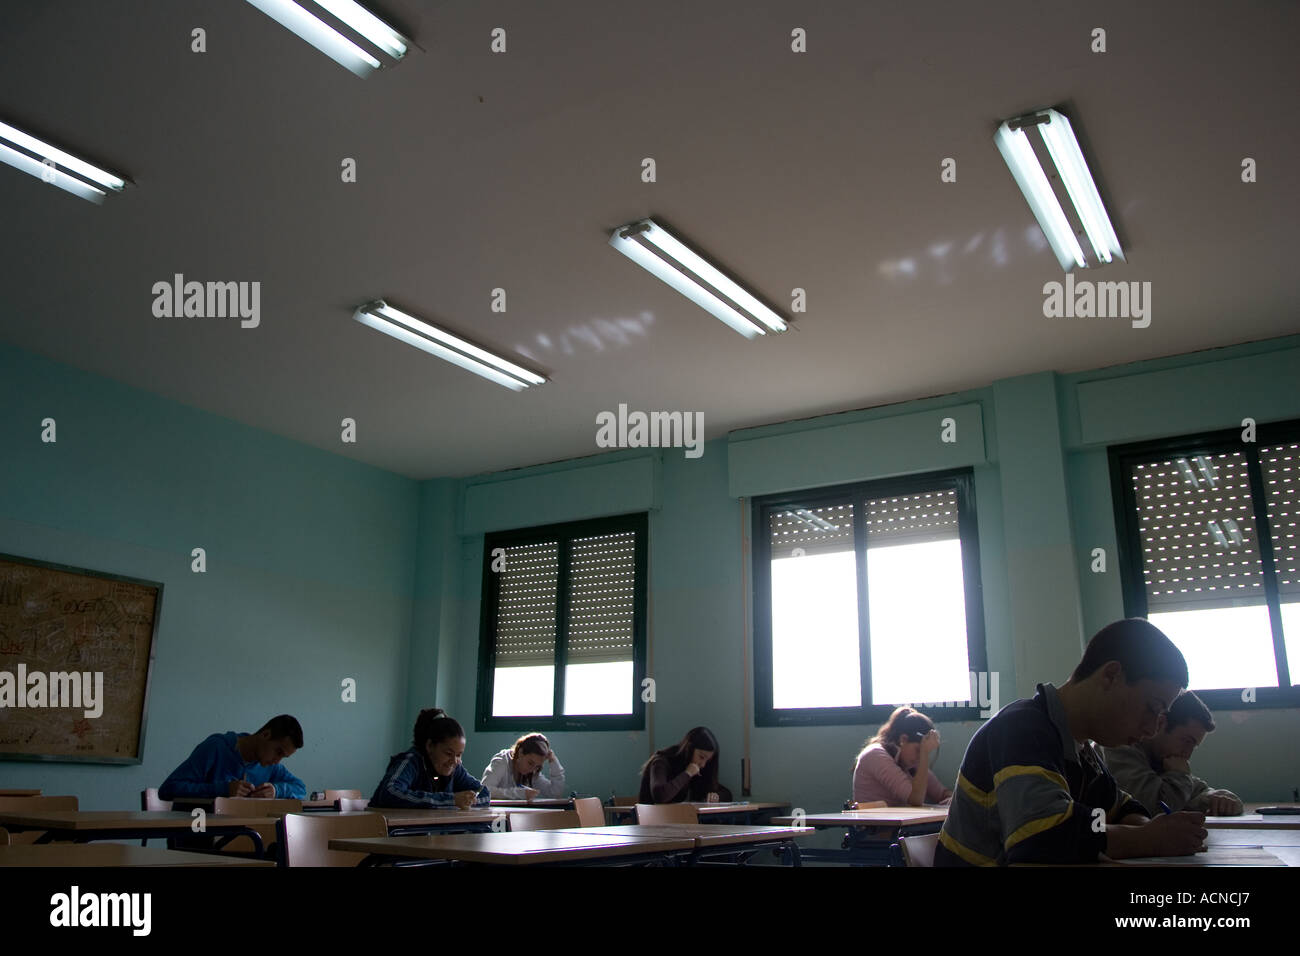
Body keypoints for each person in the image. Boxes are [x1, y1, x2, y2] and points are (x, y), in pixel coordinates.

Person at [935, 619, 1208, 866]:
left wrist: (1145, 826)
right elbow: (1043, 838)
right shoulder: (1022, 728)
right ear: (1111, 675)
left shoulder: (1081, 749)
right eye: (1152, 708)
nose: (1151, 730)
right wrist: (1149, 839)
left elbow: (1117, 807)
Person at [1105, 691, 1244, 816]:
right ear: (1161, 724)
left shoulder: (1160, 759)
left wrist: (1218, 798)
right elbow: (1156, 809)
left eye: (1193, 746)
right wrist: (1181, 775)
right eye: (1187, 741)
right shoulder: (1120, 748)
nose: (1187, 754)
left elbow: (1193, 791)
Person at [158, 714, 306, 800]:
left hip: (239, 837)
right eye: (278, 752)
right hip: (198, 828)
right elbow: (168, 789)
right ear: (265, 734)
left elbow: (300, 788)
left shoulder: (271, 766)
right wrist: (222, 790)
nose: (277, 761)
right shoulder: (216, 748)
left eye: (283, 757)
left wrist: (276, 790)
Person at [370, 708, 490, 809]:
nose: (454, 761)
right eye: (448, 753)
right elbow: (390, 793)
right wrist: (451, 800)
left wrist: (467, 801)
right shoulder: (411, 762)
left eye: (459, 755)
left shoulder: (455, 769)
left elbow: (483, 793)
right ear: (429, 746)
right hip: (385, 833)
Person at [852, 707, 953, 807]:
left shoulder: (910, 762)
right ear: (903, 739)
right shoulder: (875, 755)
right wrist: (924, 754)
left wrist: (950, 799)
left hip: (899, 821)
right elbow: (915, 799)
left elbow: (942, 793)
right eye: (918, 750)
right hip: (874, 822)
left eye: (923, 752)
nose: (920, 757)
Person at [638, 726, 732, 803]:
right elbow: (660, 796)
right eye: (701, 757)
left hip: (675, 820)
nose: (703, 765)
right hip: (651, 821)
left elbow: (726, 793)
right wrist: (687, 773)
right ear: (689, 749)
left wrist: (717, 796)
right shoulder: (661, 761)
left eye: (707, 760)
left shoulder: (697, 768)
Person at [480, 732, 567, 800]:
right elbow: (484, 791)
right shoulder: (501, 761)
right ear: (521, 753)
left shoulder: (532, 772)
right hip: (496, 816)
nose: (532, 770)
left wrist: (553, 761)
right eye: (530, 763)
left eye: (537, 766)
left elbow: (554, 793)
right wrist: (519, 793)